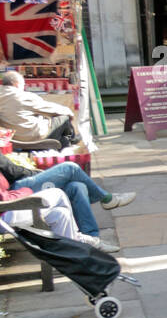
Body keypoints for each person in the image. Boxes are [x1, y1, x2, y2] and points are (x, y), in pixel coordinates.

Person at [0, 156, 134, 239]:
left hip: (13, 191)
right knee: (70, 169)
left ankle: (92, 238)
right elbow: (12, 172)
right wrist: (29, 186)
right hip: (14, 199)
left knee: (77, 186)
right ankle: (106, 199)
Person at [0, 177, 116, 252]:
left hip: (8, 210)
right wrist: (27, 190)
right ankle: (77, 240)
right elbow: (4, 198)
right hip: (5, 213)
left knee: (61, 214)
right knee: (58, 193)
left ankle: (68, 255)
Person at [0, 70, 80, 148]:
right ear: (16, 84)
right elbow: (52, 109)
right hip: (33, 136)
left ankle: (67, 143)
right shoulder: (23, 96)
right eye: (23, 85)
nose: (23, 88)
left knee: (63, 138)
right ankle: (73, 140)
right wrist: (69, 113)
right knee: (64, 118)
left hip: (11, 138)